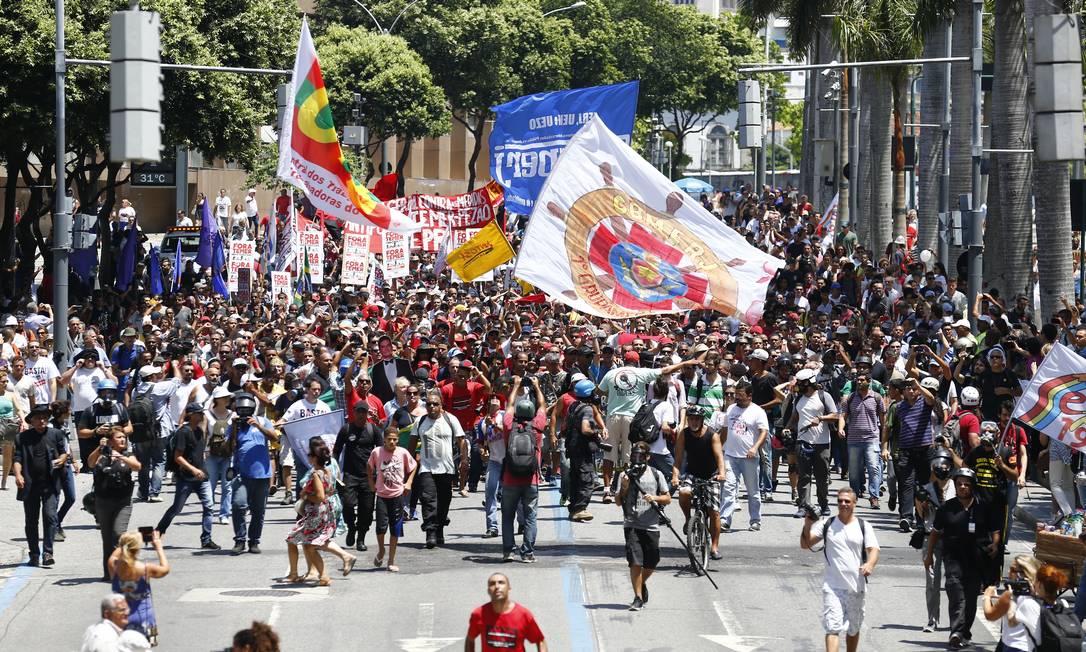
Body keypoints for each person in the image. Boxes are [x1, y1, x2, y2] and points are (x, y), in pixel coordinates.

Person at [925, 467, 1002, 650]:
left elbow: (995, 531)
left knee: (969, 598)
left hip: (976, 561)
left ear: (973, 486)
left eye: (966, 484)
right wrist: (929, 556)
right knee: (956, 594)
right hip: (952, 558)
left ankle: (964, 632)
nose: (962, 487)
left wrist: (995, 544)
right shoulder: (946, 508)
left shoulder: (984, 507)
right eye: (959, 484)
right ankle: (956, 632)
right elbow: (935, 534)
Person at [800, 488, 880, 652]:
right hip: (833, 587)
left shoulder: (863, 526)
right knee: (832, 628)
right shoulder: (828, 524)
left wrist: (869, 565)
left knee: (853, 629)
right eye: (840, 501)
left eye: (847, 501)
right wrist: (807, 525)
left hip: (856, 587)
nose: (843, 504)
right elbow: (805, 544)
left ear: (854, 503)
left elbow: (874, 550)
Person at [408, 389, 468, 549]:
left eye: (435, 404)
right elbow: (412, 443)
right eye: (429, 404)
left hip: (446, 468)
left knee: (444, 501)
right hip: (426, 468)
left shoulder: (450, 419)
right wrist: (409, 463)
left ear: (442, 405)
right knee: (428, 500)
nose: (432, 407)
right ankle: (430, 532)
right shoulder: (420, 422)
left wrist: (464, 460)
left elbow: (461, 441)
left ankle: (440, 526)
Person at [155, 403, 219, 550]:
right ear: (190, 414)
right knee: (177, 508)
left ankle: (206, 539)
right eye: (198, 413)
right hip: (186, 478)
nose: (201, 415)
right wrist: (193, 470)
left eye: (201, 413)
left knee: (209, 507)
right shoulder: (183, 432)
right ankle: (159, 530)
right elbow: (178, 457)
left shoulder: (198, 431)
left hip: (202, 477)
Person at [617, 441, 671, 611]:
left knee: (652, 561)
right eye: (634, 456)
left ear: (648, 457)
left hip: (651, 525)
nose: (637, 459)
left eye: (641, 456)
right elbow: (618, 501)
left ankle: (641, 583)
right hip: (632, 524)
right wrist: (624, 488)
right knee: (635, 562)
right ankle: (637, 597)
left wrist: (654, 498)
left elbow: (667, 498)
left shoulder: (656, 474)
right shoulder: (624, 475)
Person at [13, 404, 68, 567]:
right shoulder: (22, 438)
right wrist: (18, 475)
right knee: (31, 521)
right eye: (37, 418)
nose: (41, 420)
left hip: (50, 484)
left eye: (44, 417)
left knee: (50, 517)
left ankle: (48, 552)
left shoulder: (56, 434)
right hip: (30, 485)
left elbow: (64, 451)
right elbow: (17, 459)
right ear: (31, 420)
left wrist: (63, 459)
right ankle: (34, 554)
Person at [283, 437, 343, 586]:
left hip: (315, 513)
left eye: (310, 455)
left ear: (315, 458)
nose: (308, 457)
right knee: (309, 546)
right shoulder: (327, 471)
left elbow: (320, 496)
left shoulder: (316, 474)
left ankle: (294, 574)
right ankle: (322, 576)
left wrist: (305, 495)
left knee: (293, 541)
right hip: (323, 512)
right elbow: (329, 491)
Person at [671, 407, 726, 560]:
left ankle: (714, 547)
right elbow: (678, 459)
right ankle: (689, 519)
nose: (694, 422)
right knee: (683, 492)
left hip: (711, 476)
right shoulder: (684, 434)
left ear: (702, 421)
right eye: (691, 419)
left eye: (697, 419)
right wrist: (675, 476)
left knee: (714, 511)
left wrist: (722, 474)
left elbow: (719, 457)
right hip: (692, 473)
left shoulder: (712, 435)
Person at [229, 392, 279, 555]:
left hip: (262, 475)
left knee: (258, 510)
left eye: (247, 409)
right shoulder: (234, 424)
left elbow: (274, 438)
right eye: (241, 409)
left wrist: (258, 425)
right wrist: (235, 429)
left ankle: (254, 541)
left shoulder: (263, 421)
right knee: (238, 505)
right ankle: (239, 540)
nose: (244, 413)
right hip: (241, 474)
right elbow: (229, 447)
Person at [89, 425, 141, 579]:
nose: (123, 439)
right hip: (103, 501)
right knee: (107, 538)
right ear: (110, 441)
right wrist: (100, 448)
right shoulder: (102, 454)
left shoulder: (128, 453)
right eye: (119, 437)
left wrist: (120, 456)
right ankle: (109, 573)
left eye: (124, 437)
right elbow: (91, 463)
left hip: (123, 502)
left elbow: (137, 466)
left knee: (119, 533)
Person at [500, 397, 546, 563]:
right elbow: (542, 405)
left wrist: (515, 387)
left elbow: (509, 405)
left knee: (507, 516)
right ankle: (527, 553)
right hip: (530, 480)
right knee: (530, 517)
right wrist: (537, 387)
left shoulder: (508, 426)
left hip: (509, 479)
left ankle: (508, 552)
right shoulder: (537, 426)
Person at [719, 381, 769, 531]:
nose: (737, 398)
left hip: (749, 458)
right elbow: (725, 430)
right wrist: (719, 449)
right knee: (728, 488)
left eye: (740, 396)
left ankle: (755, 520)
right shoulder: (731, 409)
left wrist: (755, 448)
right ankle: (725, 519)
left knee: (752, 491)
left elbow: (764, 432)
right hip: (730, 456)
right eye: (736, 395)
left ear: (749, 396)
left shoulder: (758, 411)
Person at [333, 401, 382, 552]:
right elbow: (336, 451)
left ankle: (361, 538)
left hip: (368, 477)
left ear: (367, 413)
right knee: (347, 505)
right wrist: (334, 469)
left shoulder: (373, 430)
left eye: (364, 412)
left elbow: (381, 452)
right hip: (350, 475)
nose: (361, 415)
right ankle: (351, 527)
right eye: (359, 411)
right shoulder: (346, 429)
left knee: (366, 510)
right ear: (354, 412)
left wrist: (381, 473)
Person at [916, 447, 955, 633]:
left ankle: (957, 620)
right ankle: (932, 619)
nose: (941, 467)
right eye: (937, 464)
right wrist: (922, 503)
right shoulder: (925, 490)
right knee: (932, 580)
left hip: (953, 540)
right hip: (930, 538)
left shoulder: (959, 488)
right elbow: (921, 515)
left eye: (945, 464)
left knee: (954, 582)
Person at [368, 425, 417, 573]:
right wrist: (371, 483)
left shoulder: (402, 453)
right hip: (382, 495)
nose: (392, 442)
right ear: (384, 439)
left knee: (395, 529)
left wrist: (408, 483)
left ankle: (391, 560)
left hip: (397, 495)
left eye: (395, 440)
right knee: (380, 528)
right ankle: (381, 550)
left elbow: (413, 466)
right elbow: (369, 467)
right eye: (389, 439)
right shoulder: (377, 452)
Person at [109, 530, 169, 647]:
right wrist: (158, 546)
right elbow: (165, 569)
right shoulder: (145, 569)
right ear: (137, 549)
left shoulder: (113, 566)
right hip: (144, 622)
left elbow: (113, 556)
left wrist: (126, 541)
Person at [465, 572, 547, 652]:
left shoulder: (523, 614)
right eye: (492, 584)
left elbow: (540, 641)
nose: (497, 586)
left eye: (501, 583)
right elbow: (470, 639)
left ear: (509, 588)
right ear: (488, 590)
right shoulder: (479, 614)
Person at [562, 379, 606, 522]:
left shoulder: (573, 405)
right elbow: (585, 429)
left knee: (576, 478)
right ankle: (580, 508)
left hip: (572, 447)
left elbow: (564, 427)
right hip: (582, 448)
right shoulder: (587, 409)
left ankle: (574, 509)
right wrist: (596, 432)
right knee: (586, 479)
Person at [982, 555, 1044, 652]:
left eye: (1012, 570)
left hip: (1014, 646)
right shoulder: (1040, 593)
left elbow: (990, 615)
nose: (1008, 572)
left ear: (1023, 574)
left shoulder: (1010, 595)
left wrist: (987, 596)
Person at [77, 378, 131, 474]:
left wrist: (116, 431)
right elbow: (81, 433)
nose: (107, 396)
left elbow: (130, 428)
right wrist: (95, 431)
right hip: (99, 453)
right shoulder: (90, 410)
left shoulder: (120, 408)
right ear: (99, 393)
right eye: (104, 393)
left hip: (119, 452)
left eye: (110, 393)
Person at [80, 594, 151, 652]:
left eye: (127, 609)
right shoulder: (104, 636)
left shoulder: (97, 628)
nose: (127, 613)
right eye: (121, 610)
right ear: (107, 614)